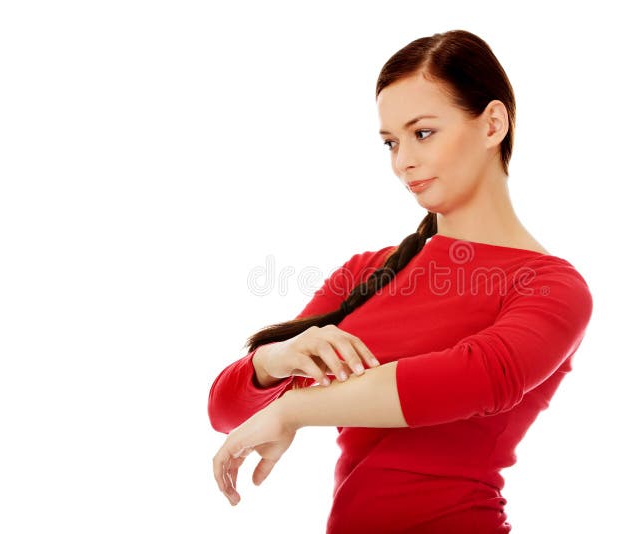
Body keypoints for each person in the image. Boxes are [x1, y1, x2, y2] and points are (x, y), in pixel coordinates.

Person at [208, 28, 593, 533]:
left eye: (423, 132)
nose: (402, 161)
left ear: (492, 123)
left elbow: (476, 377)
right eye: (390, 141)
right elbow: (226, 412)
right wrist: (273, 360)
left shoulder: (551, 286)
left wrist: (296, 409)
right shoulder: (366, 273)